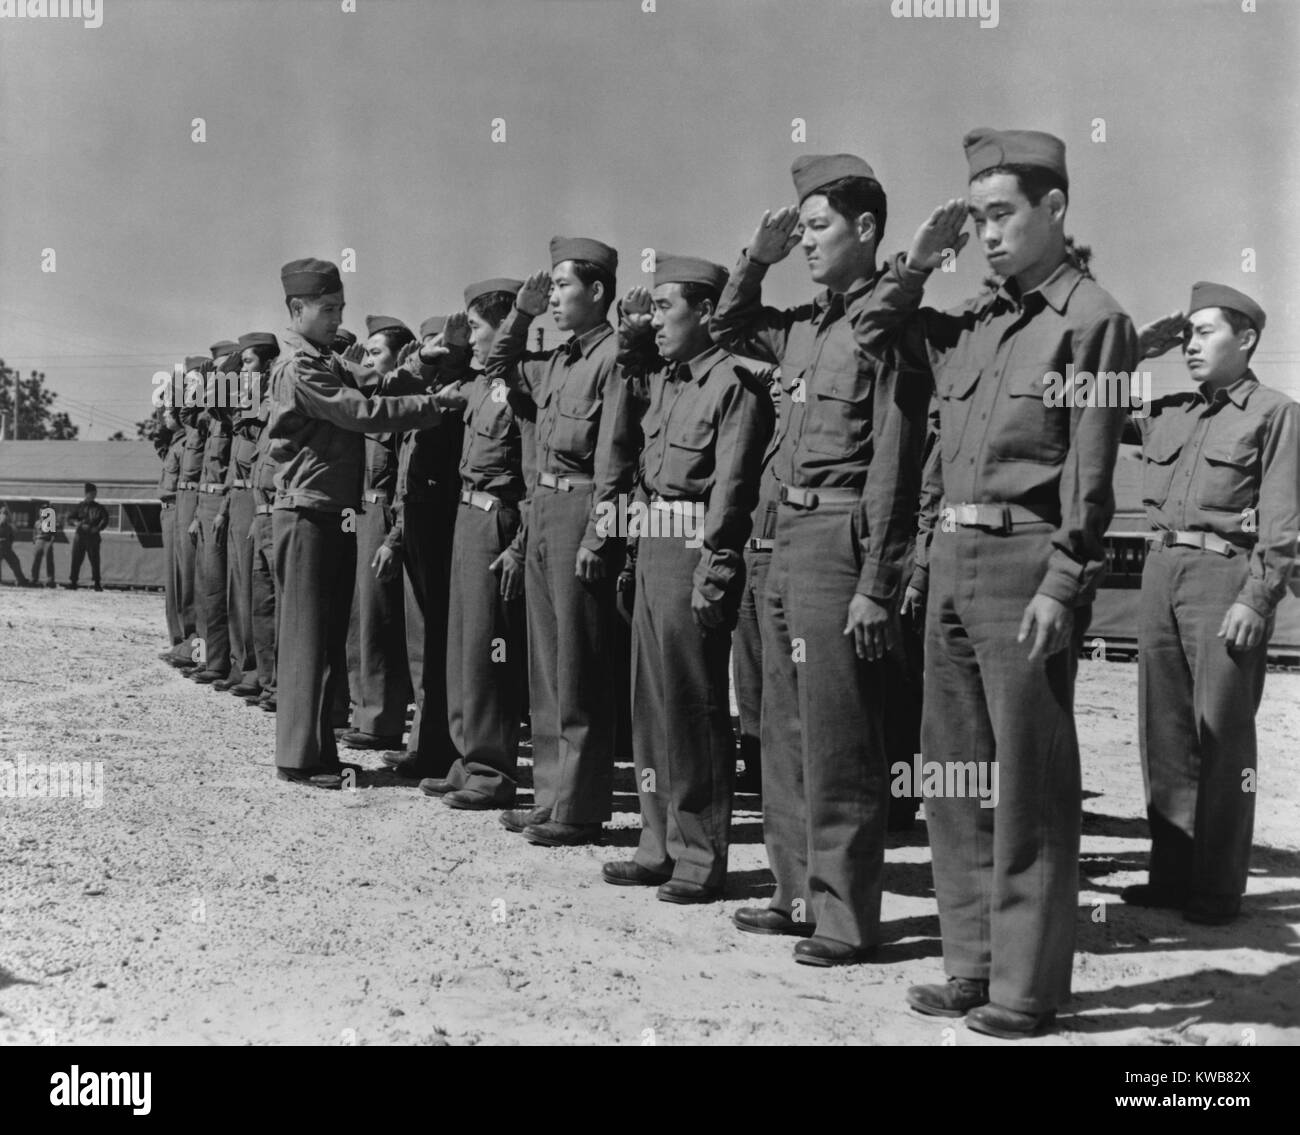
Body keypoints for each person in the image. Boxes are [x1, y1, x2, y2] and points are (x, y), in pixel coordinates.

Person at [851, 128, 1136, 1037]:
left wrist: (1065, 582)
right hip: (951, 561)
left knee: (1032, 787)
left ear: (1055, 209)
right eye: (975, 219)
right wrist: (923, 256)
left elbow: (1090, 477)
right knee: (955, 778)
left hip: (1027, 563)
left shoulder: (1092, 321)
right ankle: (968, 964)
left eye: (1001, 213)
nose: (987, 234)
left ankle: (1025, 986)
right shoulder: (971, 320)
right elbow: (871, 327)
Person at [710, 154, 929, 966]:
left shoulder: (888, 326)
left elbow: (896, 463)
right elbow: (729, 328)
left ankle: (845, 917)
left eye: (817, 227)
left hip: (841, 541)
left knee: (839, 737)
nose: (804, 241)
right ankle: (795, 892)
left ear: (866, 229)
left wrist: (879, 582)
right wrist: (755, 260)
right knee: (780, 730)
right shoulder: (802, 325)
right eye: (798, 229)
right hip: (783, 540)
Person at [1124, 284, 1299, 925]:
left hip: (1224, 577)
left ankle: (1218, 888)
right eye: (1186, 334)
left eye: (1205, 333)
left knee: (1221, 735)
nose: (1191, 346)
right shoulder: (1166, 411)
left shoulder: (1275, 413)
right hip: (1159, 569)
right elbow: (1073, 404)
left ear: (1247, 339)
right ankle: (1171, 877)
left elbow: (1282, 522)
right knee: (1164, 732)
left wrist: (1258, 596)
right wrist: (1136, 350)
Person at [601, 255, 774, 903]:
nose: (656, 321)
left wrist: (717, 566)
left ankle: (700, 855)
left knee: (694, 707)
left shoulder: (733, 385)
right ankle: (656, 842)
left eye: (666, 308)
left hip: (694, 548)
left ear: (706, 312)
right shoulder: (665, 382)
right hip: (651, 546)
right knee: (649, 705)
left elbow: (730, 490)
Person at [266, 257, 451, 789]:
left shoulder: (324, 360)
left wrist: (425, 361)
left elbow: (378, 381)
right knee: (306, 638)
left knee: (324, 639)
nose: (335, 317)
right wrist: (434, 406)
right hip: (306, 513)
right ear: (296, 309)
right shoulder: (298, 369)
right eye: (327, 309)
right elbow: (362, 412)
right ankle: (299, 757)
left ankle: (317, 749)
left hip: (328, 511)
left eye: (340, 308)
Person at [484, 237, 639, 847]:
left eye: (562, 287)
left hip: (580, 511)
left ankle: (579, 807)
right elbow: (498, 368)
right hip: (543, 508)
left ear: (598, 292)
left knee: (579, 667)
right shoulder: (559, 362)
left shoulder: (613, 359)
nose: (553, 298)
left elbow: (617, 460)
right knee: (545, 669)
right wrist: (519, 315)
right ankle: (550, 798)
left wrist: (600, 536)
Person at [423, 278, 535, 810]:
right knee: (463, 645)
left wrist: (519, 545)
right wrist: (440, 351)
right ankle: (466, 759)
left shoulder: (523, 385)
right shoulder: (479, 385)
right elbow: (441, 383)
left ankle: (493, 772)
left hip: (498, 519)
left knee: (492, 650)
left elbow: (535, 473)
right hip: (467, 516)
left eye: (477, 327)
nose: (470, 338)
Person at [376, 316, 472, 780]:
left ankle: (440, 748)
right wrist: (395, 537)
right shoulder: (424, 399)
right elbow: (401, 478)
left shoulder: (462, 396)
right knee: (422, 642)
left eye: (443, 346)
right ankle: (425, 744)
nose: (437, 355)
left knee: (439, 641)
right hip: (414, 521)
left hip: (443, 523)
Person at [338, 315, 420, 750]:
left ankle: (381, 721)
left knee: (380, 620)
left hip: (386, 512)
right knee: (360, 617)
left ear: (400, 358)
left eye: (376, 352)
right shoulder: (366, 400)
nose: (366, 359)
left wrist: (395, 534)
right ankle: (364, 708)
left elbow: (404, 475)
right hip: (361, 512)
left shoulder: (403, 405)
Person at [216, 333, 280, 700]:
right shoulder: (245, 401)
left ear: (269, 366)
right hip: (249, 499)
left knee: (261, 594)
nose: (241, 370)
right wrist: (237, 359)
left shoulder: (273, 401)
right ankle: (253, 669)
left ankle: (262, 673)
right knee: (246, 592)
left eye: (249, 362)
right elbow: (217, 393)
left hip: (266, 504)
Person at [187, 359, 237, 682]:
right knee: (203, 589)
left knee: (218, 591)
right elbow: (189, 415)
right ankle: (203, 658)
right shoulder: (212, 420)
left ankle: (220, 662)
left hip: (220, 500)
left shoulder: (232, 421)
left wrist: (222, 510)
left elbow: (235, 470)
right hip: (203, 502)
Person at [165, 359, 209, 668]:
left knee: (195, 580)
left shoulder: (206, 423)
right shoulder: (189, 428)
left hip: (197, 498)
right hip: (182, 499)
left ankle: (196, 648)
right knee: (181, 579)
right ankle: (184, 643)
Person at [156, 409, 185, 653]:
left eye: (168, 414)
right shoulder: (173, 443)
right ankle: (178, 643)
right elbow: (159, 442)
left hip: (178, 510)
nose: (165, 418)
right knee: (171, 584)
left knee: (180, 582)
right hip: (168, 512)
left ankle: (187, 646)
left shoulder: (186, 443)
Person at [66, 482, 110, 591]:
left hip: (92, 536)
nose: (94, 495)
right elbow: (70, 518)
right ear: (87, 494)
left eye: (95, 493)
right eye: (92, 493)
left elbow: (105, 519)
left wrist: (98, 528)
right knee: (76, 559)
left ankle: (97, 583)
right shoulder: (79, 506)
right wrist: (76, 523)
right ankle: (73, 582)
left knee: (95, 560)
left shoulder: (99, 507)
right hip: (80, 535)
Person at [29, 499, 57, 587]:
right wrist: (35, 541)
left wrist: (50, 543)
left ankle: (50, 580)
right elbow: (34, 533)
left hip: (47, 541)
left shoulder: (50, 522)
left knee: (49, 561)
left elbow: (53, 534)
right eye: (41, 510)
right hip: (38, 541)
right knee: (36, 561)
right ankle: (34, 579)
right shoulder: (37, 522)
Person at [0, 503, 28, 585]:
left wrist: (9, 544)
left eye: (5, 514)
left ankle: (21, 580)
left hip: (7, 548)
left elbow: (13, 536)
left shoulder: (9, 526)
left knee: (15, 562)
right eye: (2, 514)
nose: (4, 516)